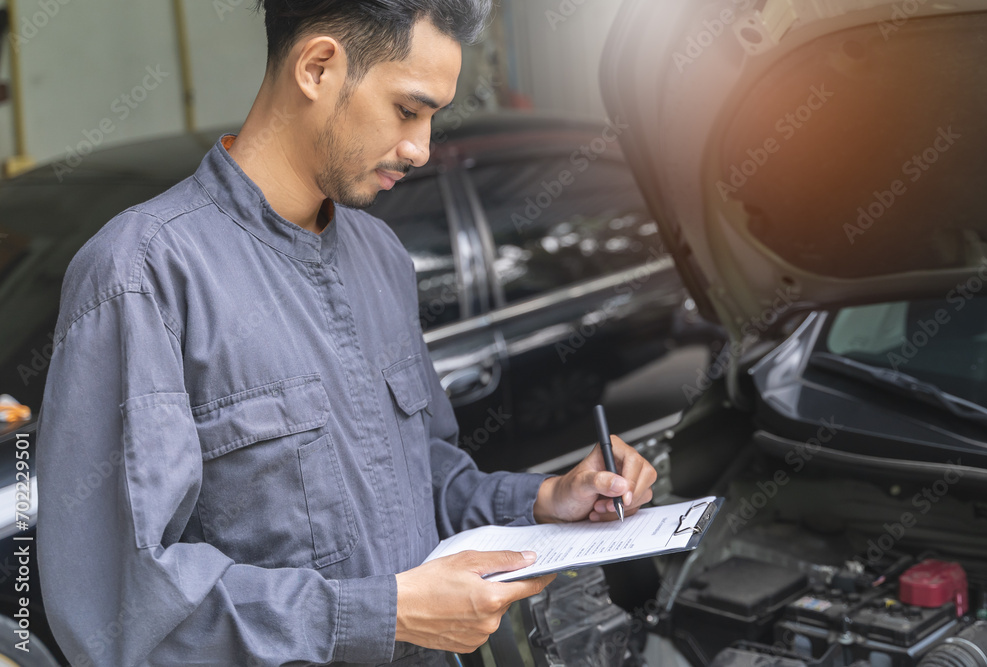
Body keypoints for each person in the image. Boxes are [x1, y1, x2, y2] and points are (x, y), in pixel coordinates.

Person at [35, 1, 657, 665]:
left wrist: (543, 499)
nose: (421, 148)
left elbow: (421, 487)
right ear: (317, 67)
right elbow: (124, 606)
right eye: (408, 110)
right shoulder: (143, 275)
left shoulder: (380, 255)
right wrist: (385, 613)